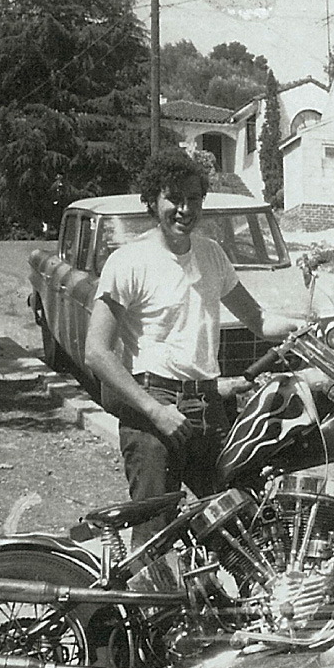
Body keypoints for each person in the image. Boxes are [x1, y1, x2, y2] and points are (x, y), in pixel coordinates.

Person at [84, 148, 297, 511]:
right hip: (155, 407)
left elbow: (258, 320)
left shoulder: (211, 254)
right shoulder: (129, 260)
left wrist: (303, 328)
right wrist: (154, 411)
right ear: (153, 201)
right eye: (174, 198)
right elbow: (96, 352)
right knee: (155, 532)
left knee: (236, 520)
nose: (185, 209)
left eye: (194, 199)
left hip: (209, 408)